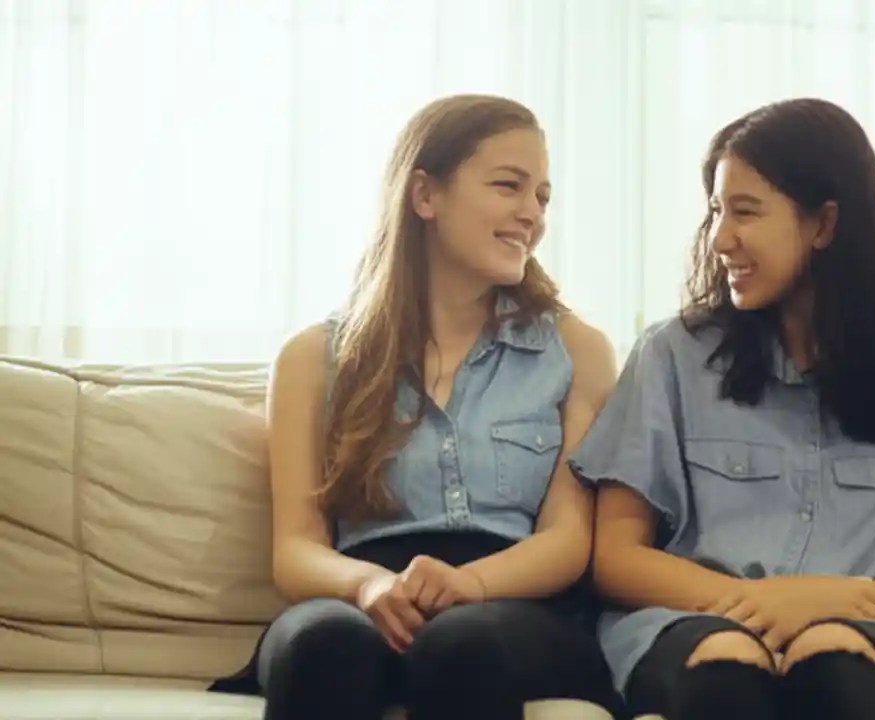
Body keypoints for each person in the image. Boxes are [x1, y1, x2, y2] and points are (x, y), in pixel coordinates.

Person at [570, 98, 875, 720]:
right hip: (696, 623)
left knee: (837, 664)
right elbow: (616, 555)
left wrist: (830, 599)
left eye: (745, 212)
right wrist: (757, 603)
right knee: (725, 669)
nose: (719, 238)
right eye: (716, 211)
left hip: (872, 635)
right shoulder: (671, 356)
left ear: (823, 225)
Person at [210, 94, 620, 720]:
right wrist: (368, 585)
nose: (531, 215)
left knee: (459, 645)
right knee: (321, 644)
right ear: (425, 196)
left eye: (542, 196)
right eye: (509, 186)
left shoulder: (577, 352)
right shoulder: (310, 358)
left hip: (514, 603)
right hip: (360, 596)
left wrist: (473, 585)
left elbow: (569, 540)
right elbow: (295, 551)